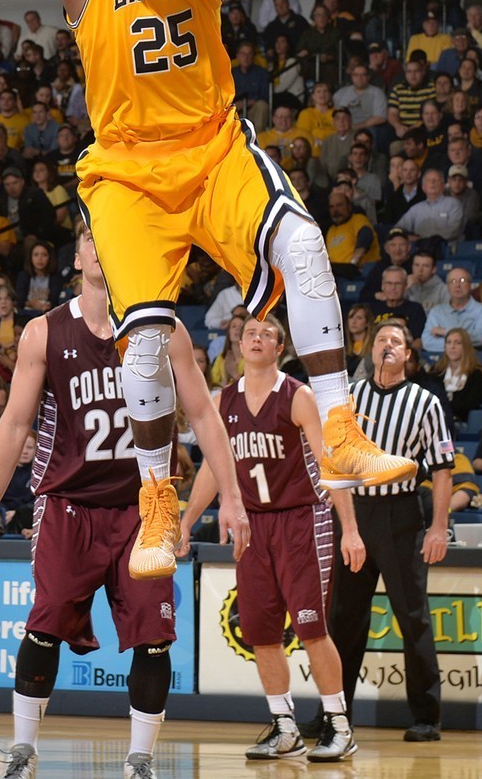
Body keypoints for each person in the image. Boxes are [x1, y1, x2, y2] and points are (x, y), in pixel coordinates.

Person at [39, 0, 404, 582]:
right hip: (124, 171)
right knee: (150, 336)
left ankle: (343, 429)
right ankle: (158, 499)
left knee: (307, 246)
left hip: (211, 146)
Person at [0, 223, 248, 779]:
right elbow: (15, 423)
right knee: (44, 626)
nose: (102, 246)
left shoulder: (162, 330)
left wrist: (230, 498)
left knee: (155, 639)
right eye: (93, 238)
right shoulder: (44, 332)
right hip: (68, 504)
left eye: (111, 238)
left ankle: (140, 759)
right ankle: (23, 750)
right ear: (78, 254)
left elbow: (206, 416)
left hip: (146, 508)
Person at [178, 315, 367, 762]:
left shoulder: (298, 396)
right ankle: (285, 727)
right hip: (253, 525)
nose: (257, 338)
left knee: (311, 628)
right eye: (250, 333)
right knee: (261, 632)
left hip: (302, 521)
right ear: (238, 344)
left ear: (280, 348)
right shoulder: (222, 401)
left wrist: (351, 530)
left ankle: (339, 724)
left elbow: (329, 463)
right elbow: (211, 471)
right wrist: (185, 522)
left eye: (267, 334)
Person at [323, 318, 445, 742]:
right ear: (371, 350)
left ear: (408, 354)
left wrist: (439, 527)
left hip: (402, 514)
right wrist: (346, 527)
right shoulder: (350, 398)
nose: (387, 346)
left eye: (396, 341)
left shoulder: (425, 402)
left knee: (413, 618)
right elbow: (335, 465)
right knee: (342, 621)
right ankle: (336, 715)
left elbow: (444, 471)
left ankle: (426, 716)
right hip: (355, 514)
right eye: (381, 341)